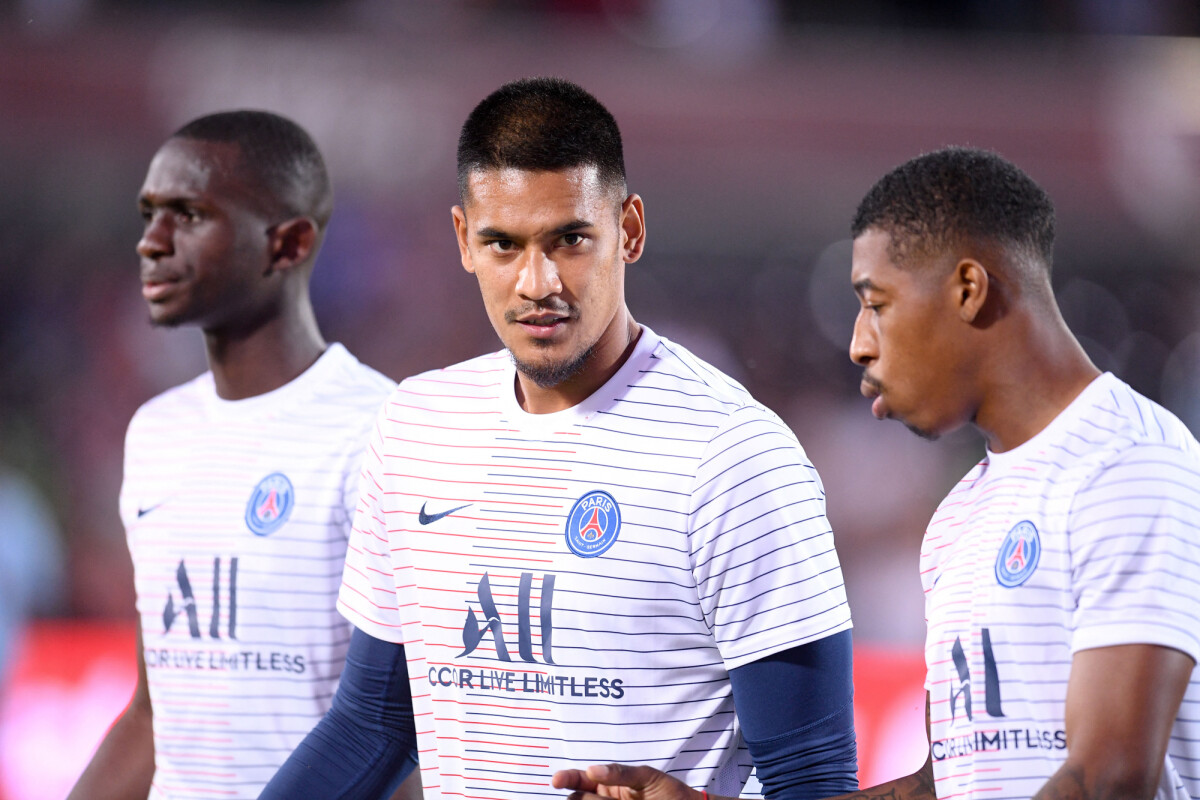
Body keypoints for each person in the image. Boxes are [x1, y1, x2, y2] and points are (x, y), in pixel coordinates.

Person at [261, 77, 858, 800]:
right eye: (503, 244)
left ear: (629, 230)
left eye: (570, 240)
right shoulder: (416, 425)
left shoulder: (734, 458)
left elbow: (814, 781)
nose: (537, 282)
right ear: (463, 241)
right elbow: (376, 724)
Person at [552, 147, 1200, 800]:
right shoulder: (962, 516)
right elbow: (938, 786)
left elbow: (1111, 777)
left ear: (968, 290)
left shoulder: (1129, 463)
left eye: (877, 303)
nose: (859, 342)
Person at [67, 110, 420, 800]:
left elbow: (403, 734)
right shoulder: (156, 433)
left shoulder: (385, 430)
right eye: (149, 215)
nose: (152, 243)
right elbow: (153, 714)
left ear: (287, 243)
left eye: (189, 216)